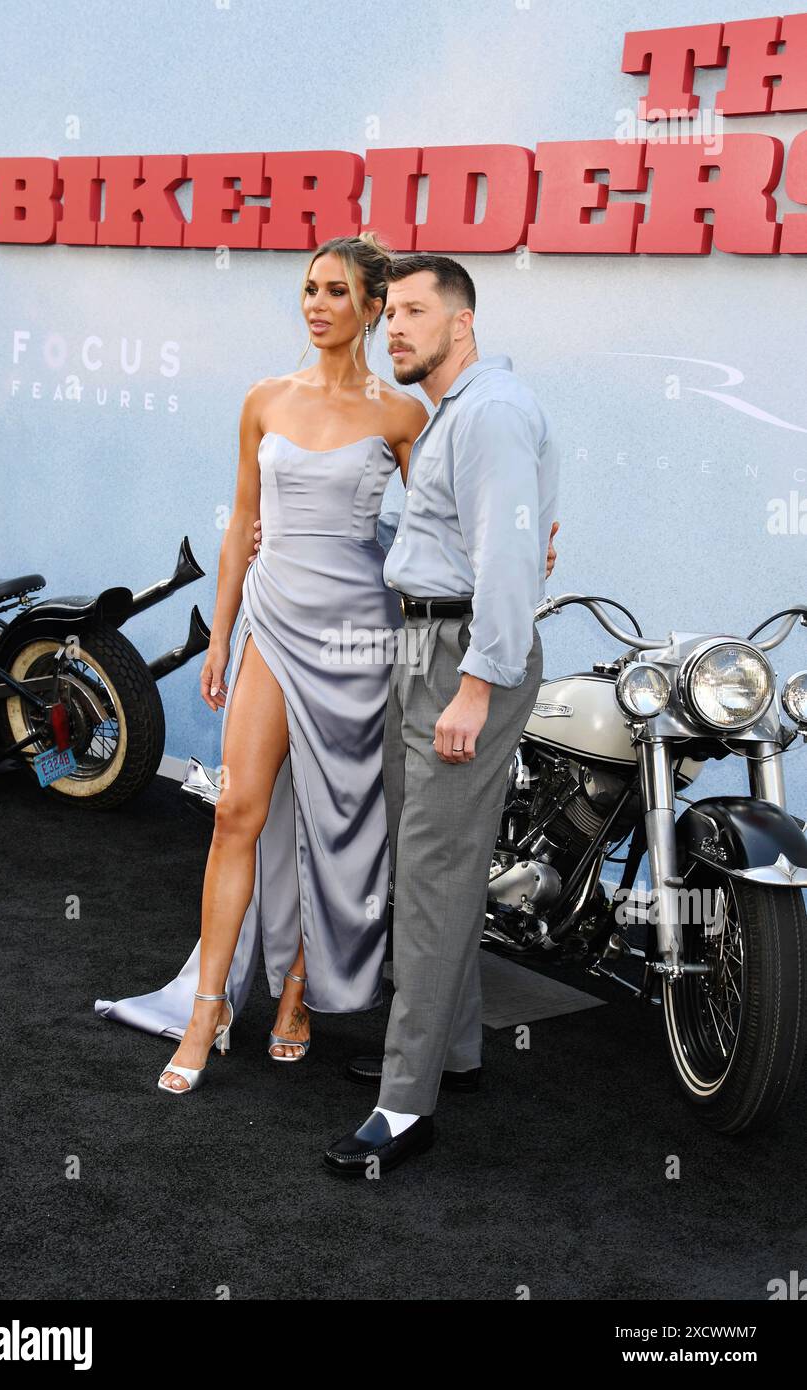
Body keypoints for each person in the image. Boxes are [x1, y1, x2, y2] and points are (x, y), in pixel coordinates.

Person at [94, 231, 428, 1086]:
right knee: (238, 808)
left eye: (337, 293)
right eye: (310, 289)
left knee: (333, 824)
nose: (317, 305)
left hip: (357, 638)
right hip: (274, 627)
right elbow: (241, 526)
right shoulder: (265, 400)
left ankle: (299, 991)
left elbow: (437, 525)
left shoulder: (402, 415)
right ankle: (206, 1012)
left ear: (373, 307)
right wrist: (226, 631)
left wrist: (518, 546)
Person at [322, 254, 561, 1174]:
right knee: (436, 868)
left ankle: (403, 1105)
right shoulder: (458, 416)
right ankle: (449, 1052)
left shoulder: (491, 413)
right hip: (424, 644)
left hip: (464, 661)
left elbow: (505, 569)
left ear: (464, 322)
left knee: (430, 877)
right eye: (391, 316)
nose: (396, 329)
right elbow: (445, 545)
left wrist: (479, 684)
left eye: (416, 312)